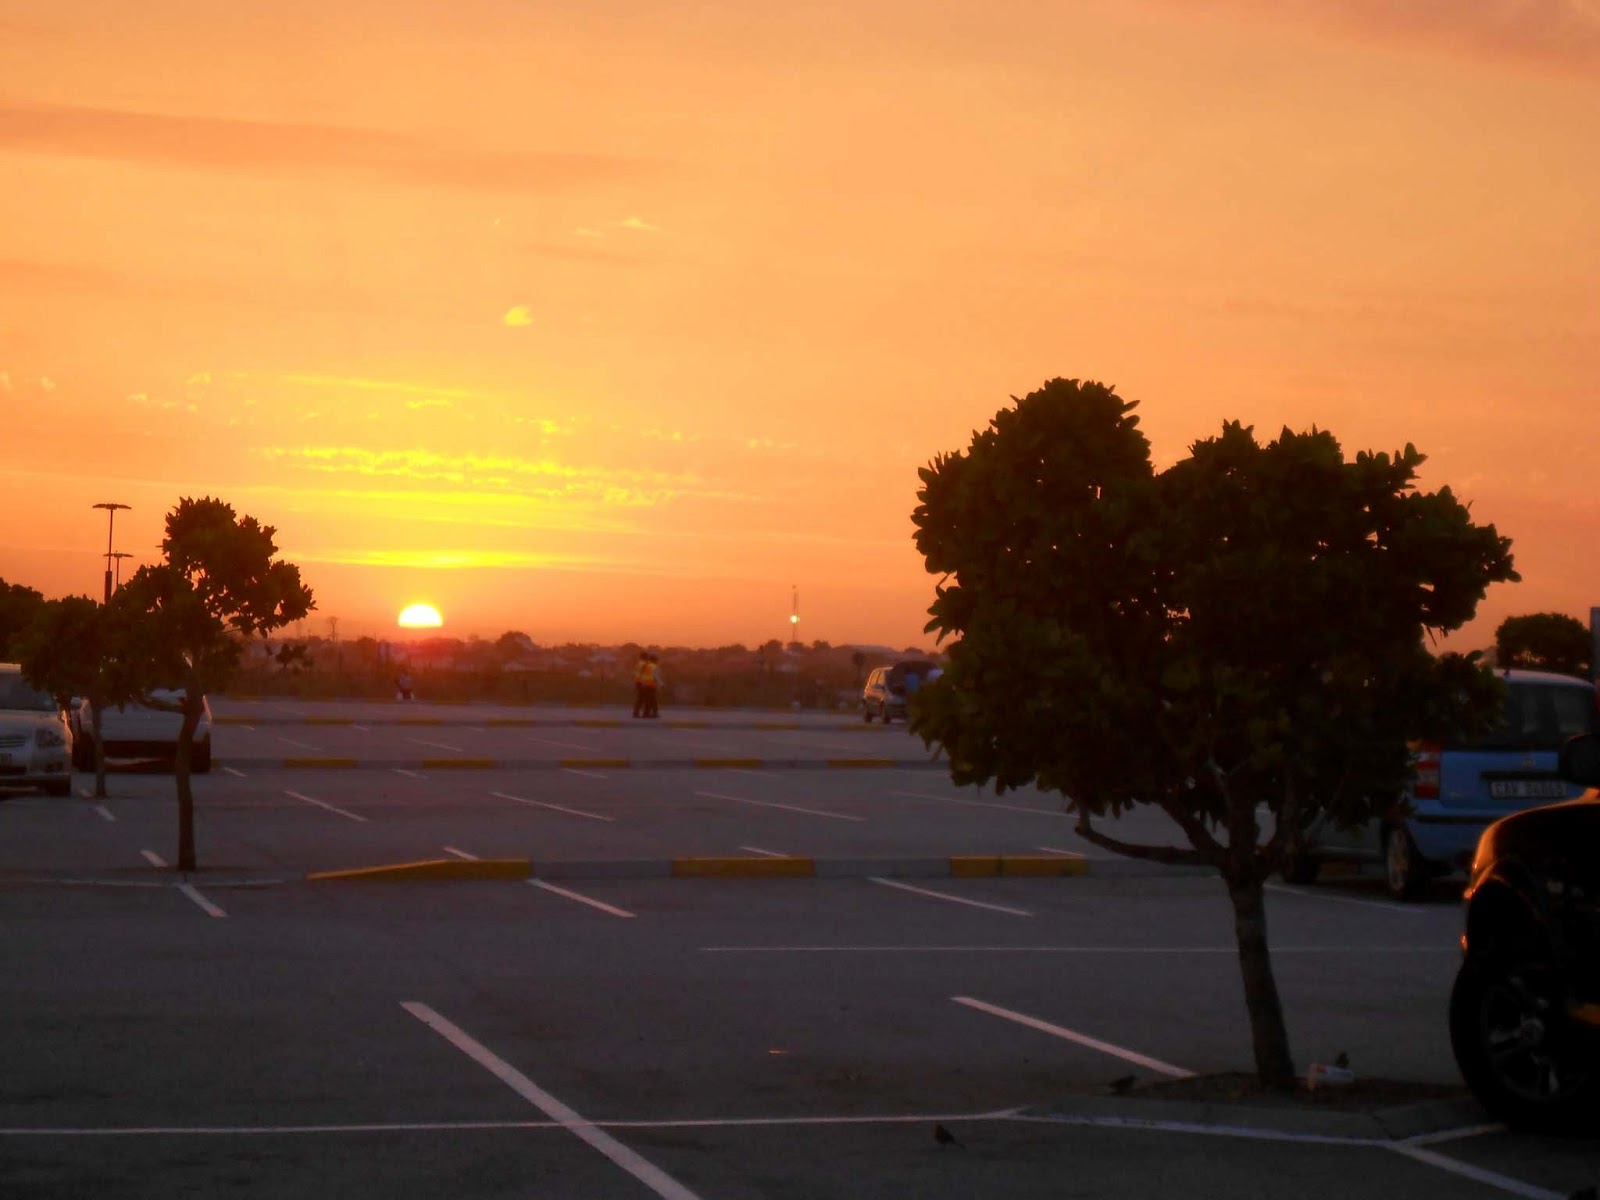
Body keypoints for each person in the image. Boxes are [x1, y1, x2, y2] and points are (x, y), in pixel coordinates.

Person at [632, 651, 651, 718]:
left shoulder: (639, 664)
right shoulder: (645, 664)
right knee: (647, 699)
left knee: (640, 699)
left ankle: (636, 712)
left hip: (639, 683)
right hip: (643, 683)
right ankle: (645, 713)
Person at [643, 653, 663, 718]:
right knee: (653, 701)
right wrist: (661, 684)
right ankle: (654, 713)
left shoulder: (647, 666)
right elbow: (656, 677)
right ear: (655, 660)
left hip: (645, 685)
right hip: (651, 686)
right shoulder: (655, 667)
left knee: (648, 700)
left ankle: (646, 713)